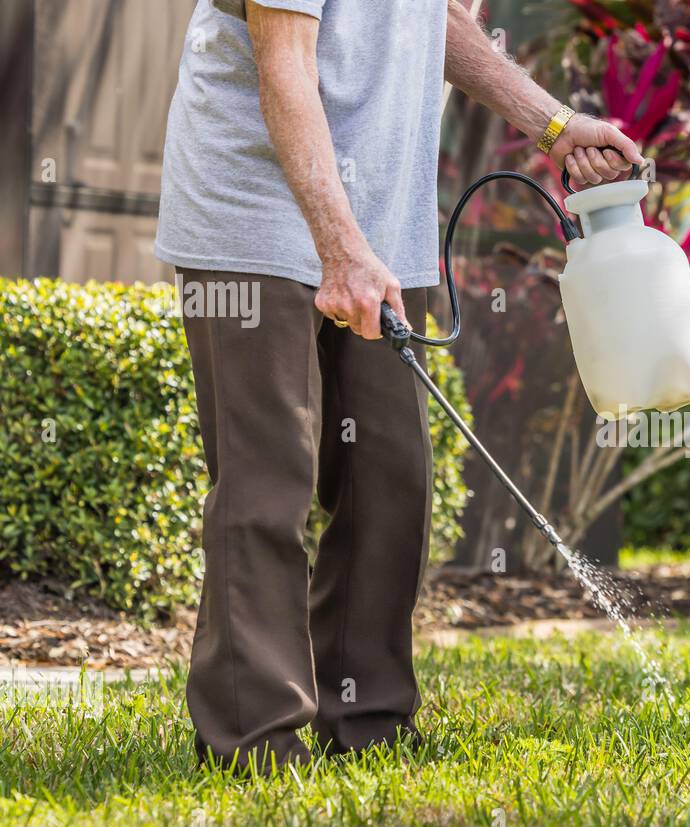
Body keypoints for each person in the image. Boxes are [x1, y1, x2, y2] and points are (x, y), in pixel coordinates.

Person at [155, 0, 643, 770]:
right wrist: (340, 250)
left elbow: (431, 21)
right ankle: (256, 737)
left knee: (391, 473)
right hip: (252, 207)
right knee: (267, 475)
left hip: (376, 215)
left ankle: (367, 720)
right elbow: (284, 66)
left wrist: (553, 125)